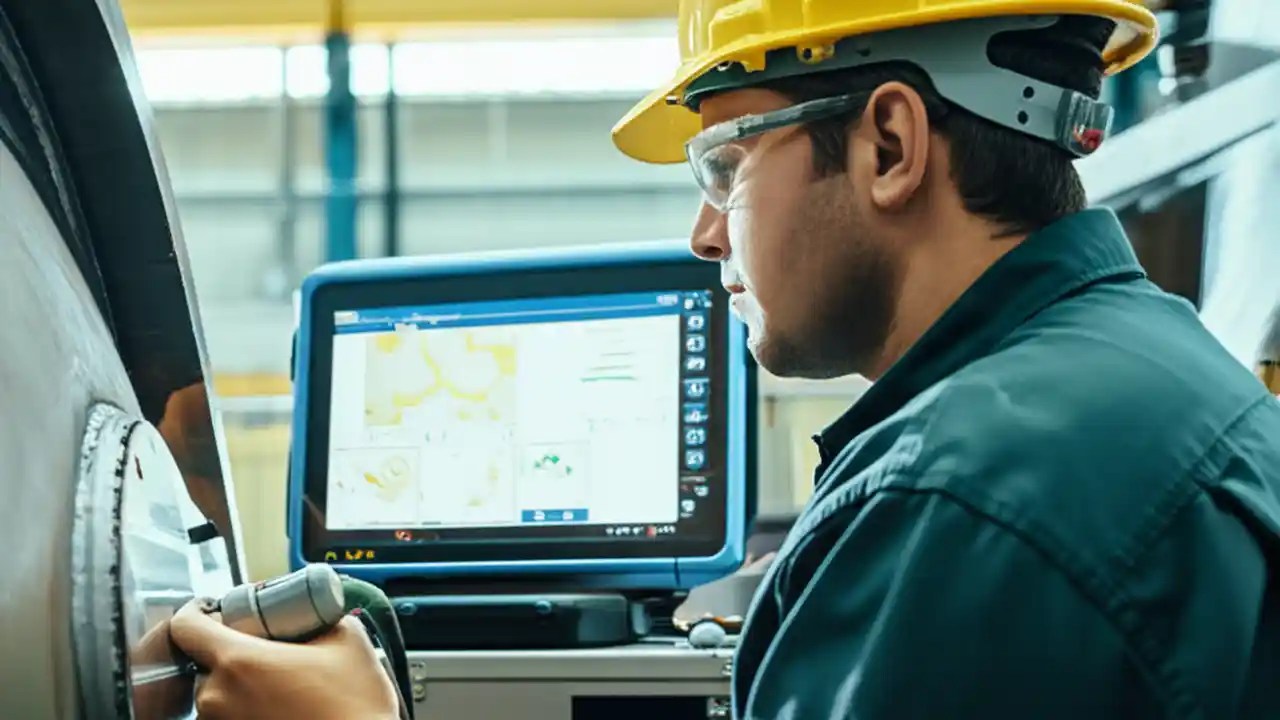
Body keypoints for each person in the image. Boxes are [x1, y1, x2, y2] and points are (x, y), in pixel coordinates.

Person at [170, 1, 1280, 717]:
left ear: (888, 143)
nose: (706, 239)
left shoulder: (965, 498)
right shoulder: (1138, 373)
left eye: (724, 167)